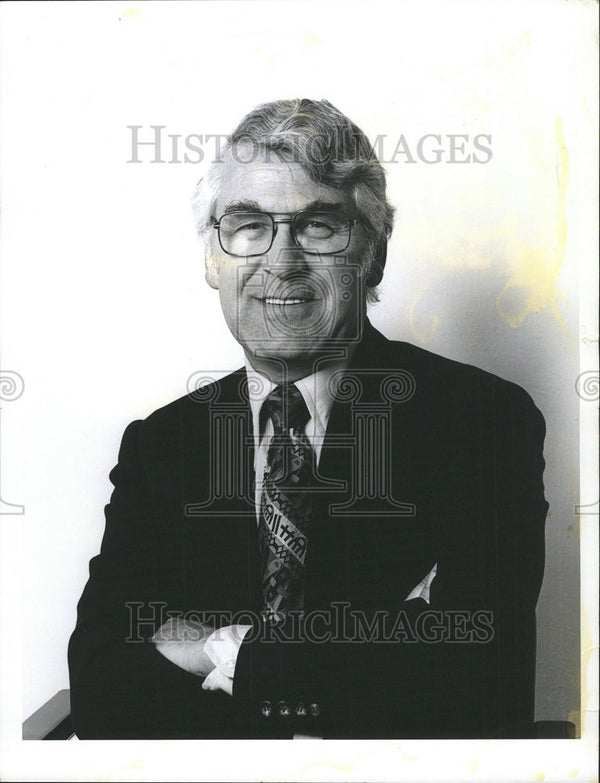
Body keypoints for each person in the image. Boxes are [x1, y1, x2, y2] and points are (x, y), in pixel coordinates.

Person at [68, 98, 548, 739]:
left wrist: (218, 650)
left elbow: (474, 682)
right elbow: (100, 679)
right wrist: (378, 648)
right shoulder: (163, 445)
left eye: (320, 227)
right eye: (248, 225)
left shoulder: (482, 421)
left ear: (374, 254)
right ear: (213, 258)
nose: (282, 260)